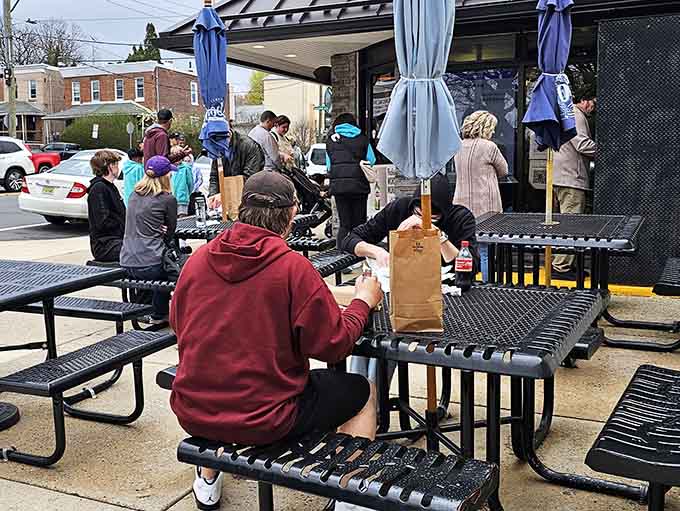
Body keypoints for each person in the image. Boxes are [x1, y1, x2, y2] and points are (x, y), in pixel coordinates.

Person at [170, 171, 383, 511]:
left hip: (193, 409)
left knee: (220, 378)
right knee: (362, 391)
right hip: (266, 417)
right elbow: (334, 345)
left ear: (242, 211)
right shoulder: (291, 267)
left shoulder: (197, 261)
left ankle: (207, 479)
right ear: (290, 216)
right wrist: (363, 302)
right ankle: (349, 497)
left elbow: (179, 325)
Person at [340, 173, 478, 380]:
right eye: (418, 212)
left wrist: (437, 235)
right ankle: (362, 398)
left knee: (390, 337)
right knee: (368, 333)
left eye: (432, 216)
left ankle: (373, 399)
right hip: (395, 292)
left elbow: (469, 266)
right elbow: (348, 239)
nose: (422, 218)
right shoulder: (398, 209)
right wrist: (377, 252)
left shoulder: (461, 218)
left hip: (445, 301)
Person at [119, 156, 178, 324]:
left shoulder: (133, 195)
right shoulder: (167, 199)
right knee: (173, 271)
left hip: (126, 259)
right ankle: (159, 314)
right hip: (150, 262)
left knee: (158, 269)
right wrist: (161, 231)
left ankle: (145, 309)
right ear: (166, 176)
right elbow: (170, 233)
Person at [453, 111, 509, 282]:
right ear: (486, 127)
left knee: (465, 247)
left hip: (461, 204)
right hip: (485, 204)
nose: (493, 132)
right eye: (492, 128)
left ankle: (464, 280)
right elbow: (504, 170)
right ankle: (485, 283)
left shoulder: (458, 146)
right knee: (484, 249)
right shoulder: (489, 147)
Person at [552, 93, 597, 278]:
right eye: (593, 103)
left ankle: (566, 264)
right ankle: (560, 266)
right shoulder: (576, 115)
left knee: (567, 222)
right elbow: (582, 144)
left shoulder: (566, 113)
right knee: (570, 223)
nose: (593, 108)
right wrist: (606, 150)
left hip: (563, 176)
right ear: (584, 101)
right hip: (571, 177)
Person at [326, 113, 376, 247]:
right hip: (359, 187)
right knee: (359, 223)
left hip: (339, 188)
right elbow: (371, 160)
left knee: (345, 224)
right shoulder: (363, 139)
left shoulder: (331, 141)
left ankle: (341, 253)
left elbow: (329, 165)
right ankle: (358, 256)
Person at [207, 129, 265, 209]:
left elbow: (250, 179)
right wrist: (213, 195)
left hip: (250, 201)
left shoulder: (250, 146)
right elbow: (214, 175)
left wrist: (224, 195)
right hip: (231, 203)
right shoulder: (217, 148)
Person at [87, 150, 126, 263]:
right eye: (116, 164)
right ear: (109, 166)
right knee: (139, 252)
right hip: (105, 245)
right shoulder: (99, 188)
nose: (118, 167)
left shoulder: (110, 187)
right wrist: (122, 226)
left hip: (117, 240)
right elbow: (103, 222)